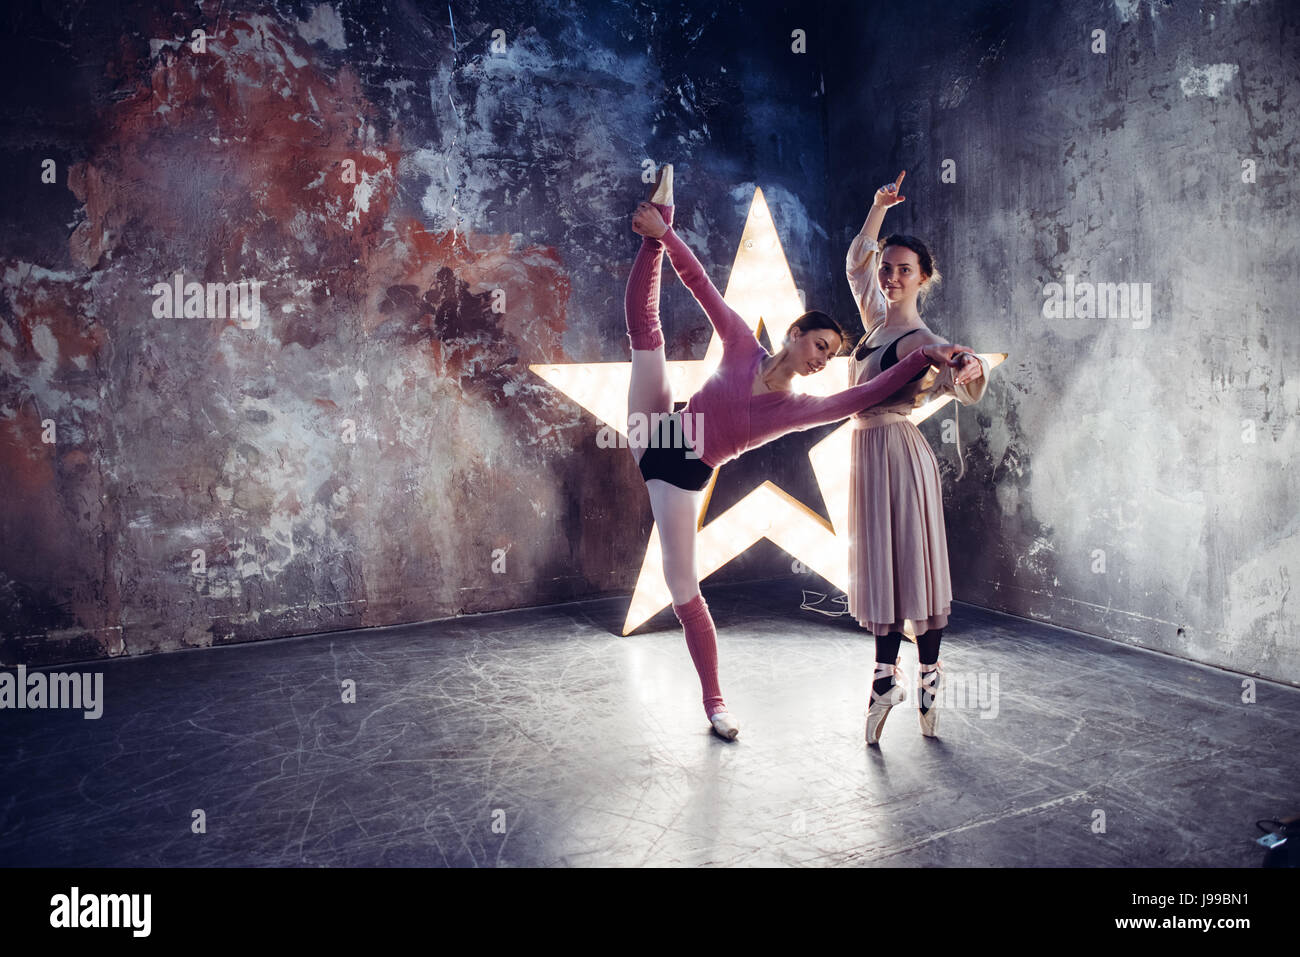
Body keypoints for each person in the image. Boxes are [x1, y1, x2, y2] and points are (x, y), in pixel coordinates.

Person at [624, 165, 974, 741]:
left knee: (682, 587)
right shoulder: (740, 343)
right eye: (818, 346)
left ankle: (715, 705)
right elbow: (699, 283)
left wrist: (924, 358)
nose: (821, 360)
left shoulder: (795, 407)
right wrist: (665, 240)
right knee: (646, 332)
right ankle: (657, 222)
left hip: (680, 478)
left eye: (831, 354)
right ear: (793, 335)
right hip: (654, 432)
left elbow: (858, 396)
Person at [843, 171, 990, 744]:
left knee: (915, 571)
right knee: (884, 567)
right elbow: (857, 260)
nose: (891, 275)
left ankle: (924, 679)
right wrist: (878, 206)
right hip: (867, 456)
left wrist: (969, 365)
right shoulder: (876, 323)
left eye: (905, 269)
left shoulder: (928, 339)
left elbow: (962, 375)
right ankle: (888, 679)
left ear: (923, 278)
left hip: (901, 459)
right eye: (889, 267)